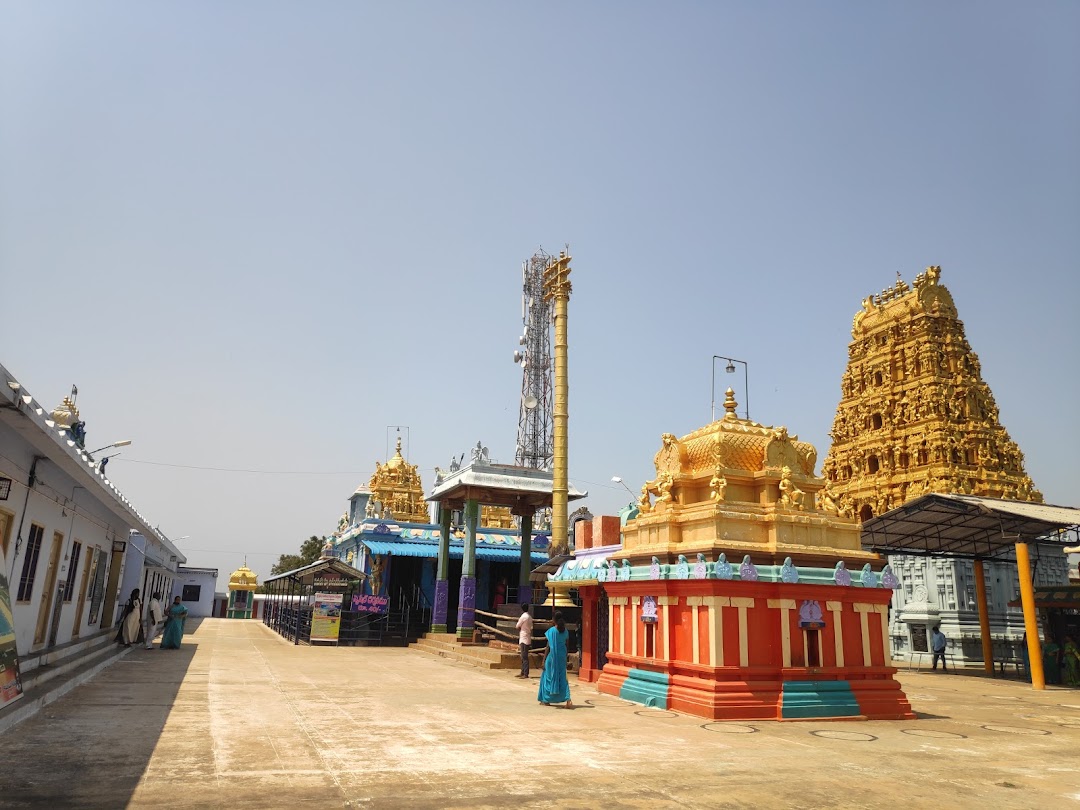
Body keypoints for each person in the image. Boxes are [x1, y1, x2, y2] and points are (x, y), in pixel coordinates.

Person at [537, 611, 572, 708]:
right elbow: (567, 645)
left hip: (552, 657)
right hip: (561, 657)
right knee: (562, 679)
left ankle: (546, 699)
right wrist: (566, 658)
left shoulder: (551, 631)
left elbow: (548, 647)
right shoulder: (566, 631)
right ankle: (567, 699)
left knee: (548, 677)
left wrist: (543, 660)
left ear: (554, 620)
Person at [515, 603, 533, 679]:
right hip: (527, 636)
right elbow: (531, 627)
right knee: (523, 656)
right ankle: (522, 672)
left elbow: (517, 626)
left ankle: (525, 673)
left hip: (523, 637)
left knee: (524, 656)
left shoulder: (523, 616)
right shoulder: (530, 617)